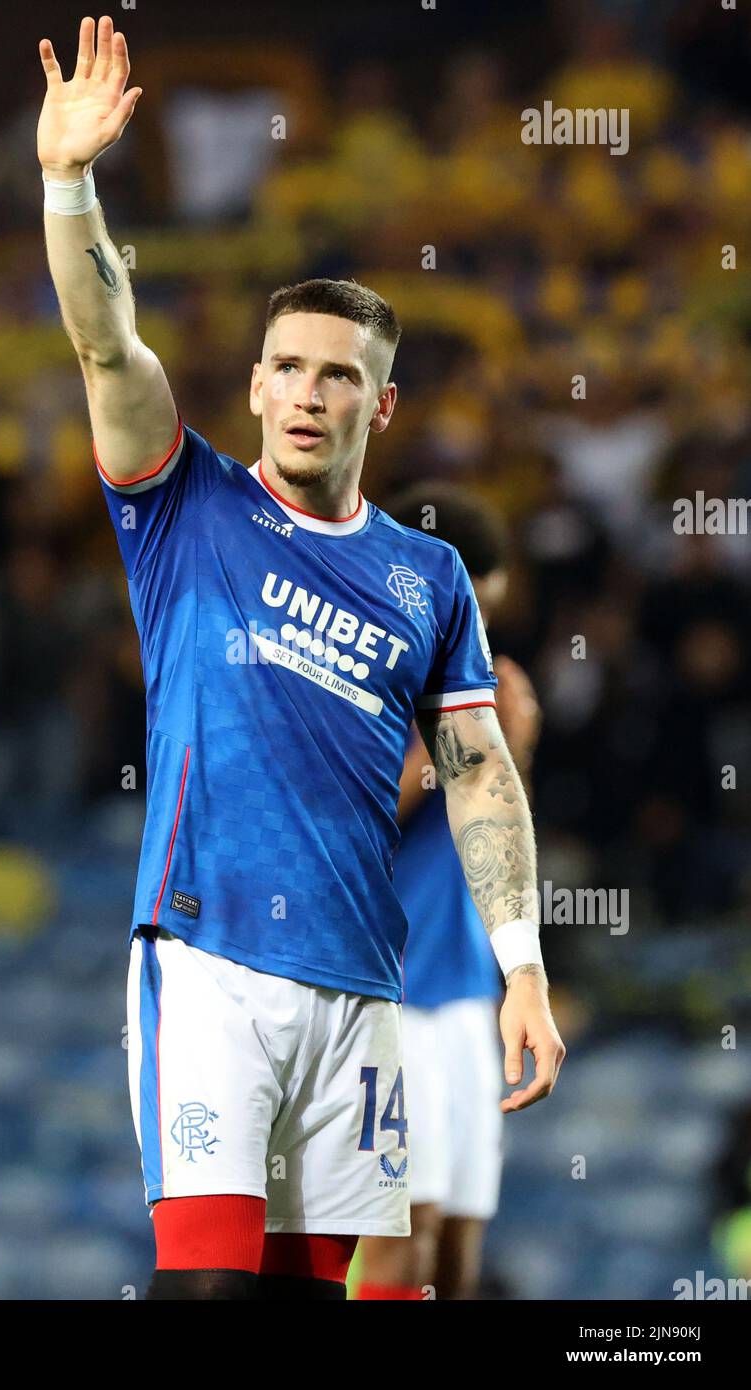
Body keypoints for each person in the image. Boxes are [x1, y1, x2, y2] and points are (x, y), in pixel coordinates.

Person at [37, 14, 565, 1301]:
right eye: (285, 368)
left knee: (314, 1291)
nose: (308, 392)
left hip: (363, 981)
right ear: (258, 385)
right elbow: (108, 343)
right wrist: (67, 184)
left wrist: (523, 970)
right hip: (208, 959)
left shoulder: (426, 577)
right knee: (205, 1284)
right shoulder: (186, 506)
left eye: (338, 375)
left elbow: (480, 768)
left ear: (377, 404)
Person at [356, 486, 542, 1299]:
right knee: (404, 1231)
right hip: (393, 996)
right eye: (474, 608)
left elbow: (489, 845)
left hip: (467, 992)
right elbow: (356, 818)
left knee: (460, 1241)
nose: (481, 631)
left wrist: (513, 759)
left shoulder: (486, 686)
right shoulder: (371, 682)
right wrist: (457, 745)